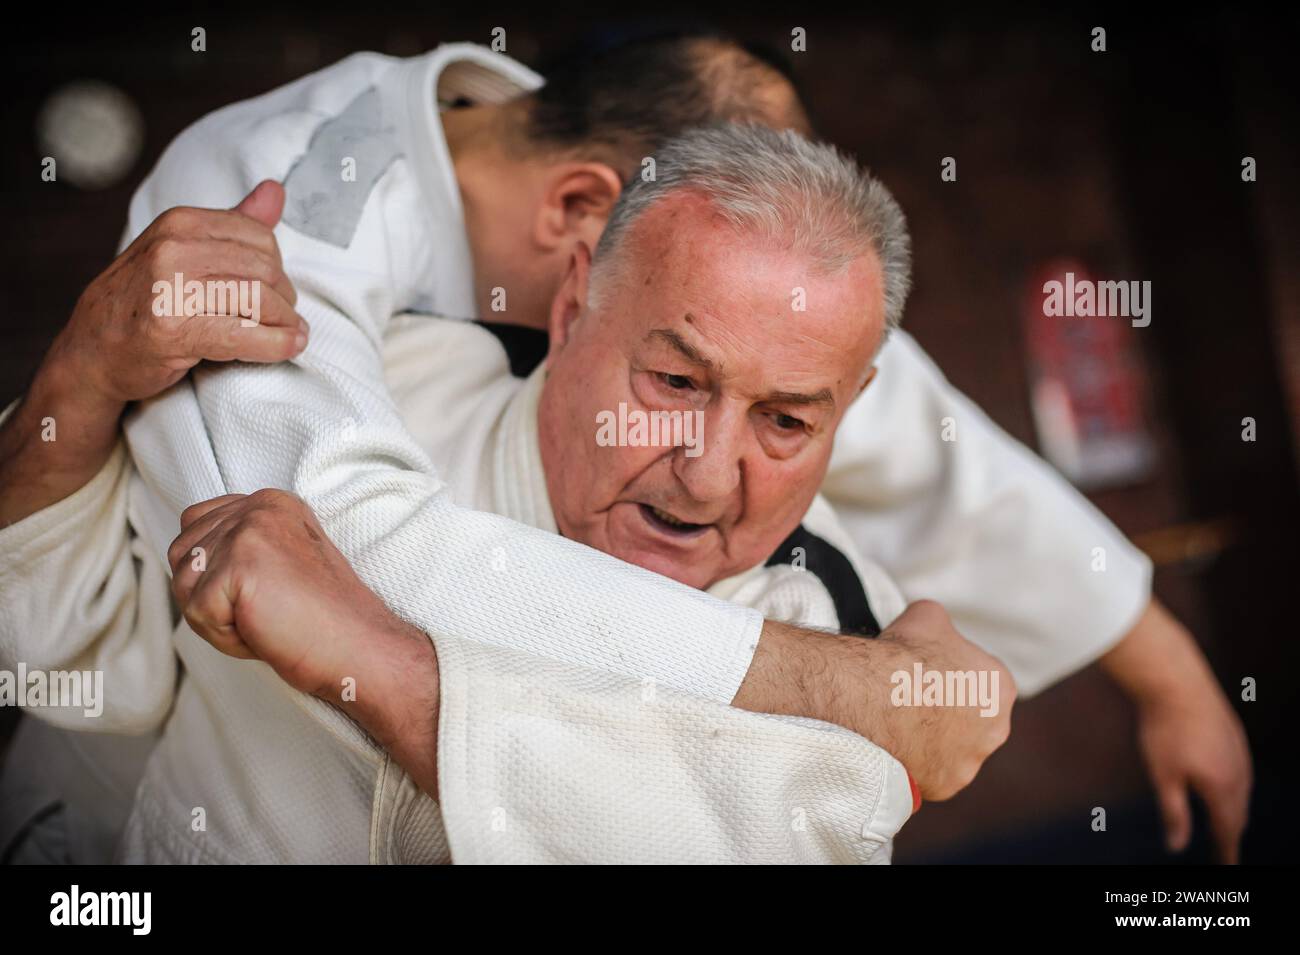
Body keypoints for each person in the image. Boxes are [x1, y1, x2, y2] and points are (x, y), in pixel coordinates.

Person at [0, 32, 1249, 861]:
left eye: (787, 418)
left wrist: (1159, 663)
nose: (708, 468)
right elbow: (321, 557)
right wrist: (839, 694)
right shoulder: (280, 201)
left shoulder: (815, 571)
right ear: (581, 250)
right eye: (673, 375)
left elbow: (898, 409)